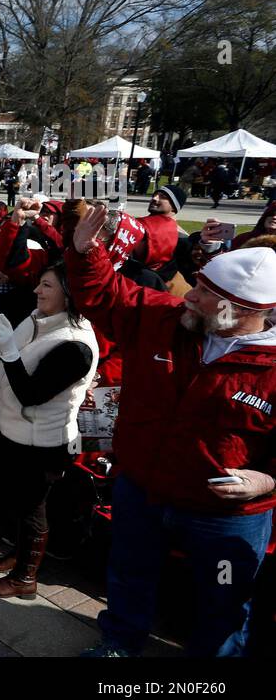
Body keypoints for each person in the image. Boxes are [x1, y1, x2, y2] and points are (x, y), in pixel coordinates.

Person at [68, 204, 276, 657]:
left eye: (203, 292)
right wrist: (86, 254)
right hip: (141, 491)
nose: (188, 295)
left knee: (222, 600)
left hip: (225, 520)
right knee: (128, 574)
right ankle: (119, 642)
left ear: (237, 310)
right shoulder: (167, 320)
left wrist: (268, 479)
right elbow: (108, 295)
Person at [0, 265, 97, 599]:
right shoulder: (39, 318)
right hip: (19, 433)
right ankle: (19, 557)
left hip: (44, 442)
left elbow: (32, 393)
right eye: (39, 284)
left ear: (69, 295)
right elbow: (12, 357)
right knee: (20, 501)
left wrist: (10, 352)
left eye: (46, 286)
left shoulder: (75, 345)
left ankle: (25, 579)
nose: (37, 291)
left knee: (33, 508)